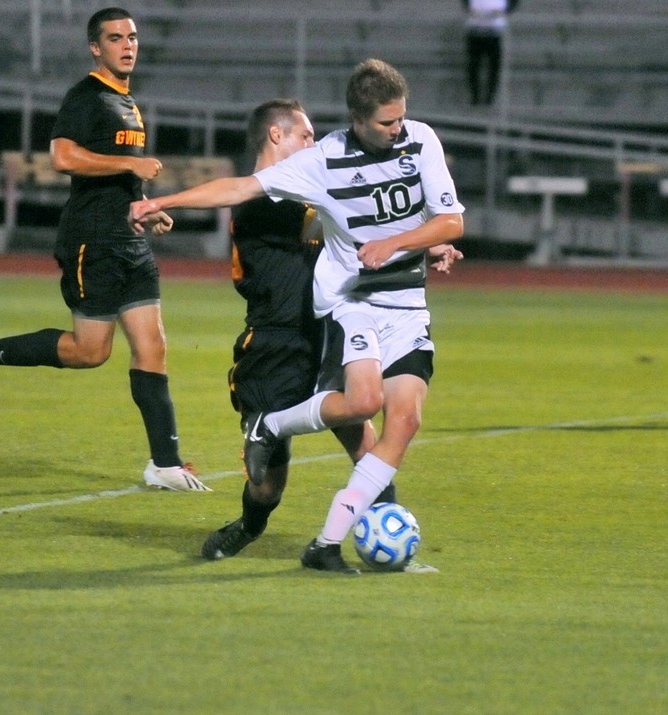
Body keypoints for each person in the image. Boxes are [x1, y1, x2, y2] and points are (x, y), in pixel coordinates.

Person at [131, 58, 465, 573]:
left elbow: (354, 224)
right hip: (276, 343)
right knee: (268, 486)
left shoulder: (312, 183)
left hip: (329, 328)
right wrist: (164, 203)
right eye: (304, 135)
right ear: (276, 134)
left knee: (366, 427)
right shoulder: (276, 193)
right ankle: (249, 524)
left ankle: (379, 530)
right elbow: (249, 193)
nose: (314, 143)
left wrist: (418, 247)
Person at [0, 7, 210, 491]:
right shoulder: (86, 96)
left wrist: (145, 206)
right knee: (90, 352)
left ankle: (165, 463)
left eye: (132, 36)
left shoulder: (129, 103)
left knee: (153, 348)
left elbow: (119, 178)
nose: (127, 45)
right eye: (115, 38)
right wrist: (133, 166)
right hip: (92, 239)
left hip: (129, 239)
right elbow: (62, 156)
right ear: (95, 47)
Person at [462, 0, 518, 106]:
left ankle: (489, 97)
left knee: (493, 67)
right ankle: (475, 96)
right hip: (475, 29)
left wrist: (505, 10)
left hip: (495, 30)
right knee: (474, 66)